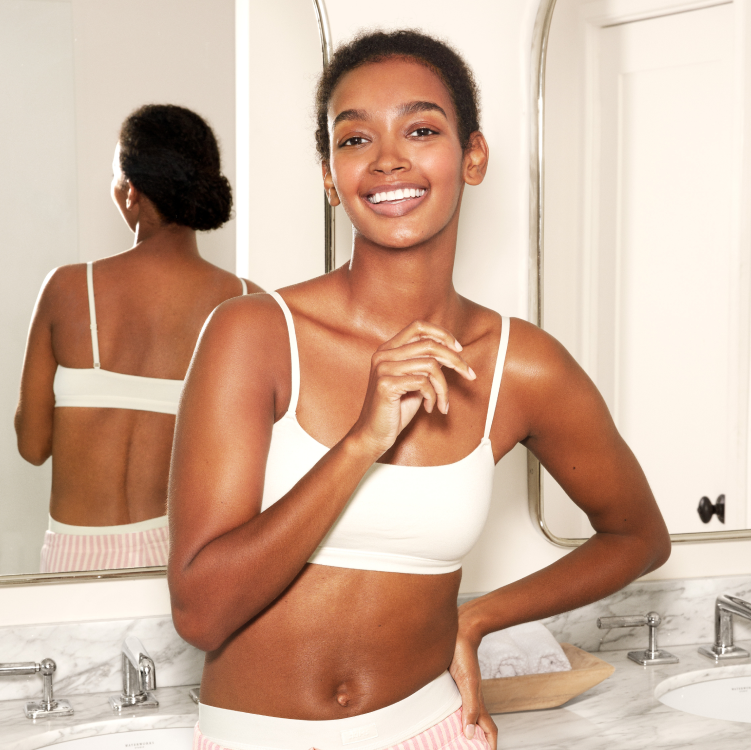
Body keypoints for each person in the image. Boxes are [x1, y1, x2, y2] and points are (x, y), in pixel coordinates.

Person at [167, 31, 670, 750]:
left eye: (421, 129)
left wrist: (478, 617)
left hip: (434, 731)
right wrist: (364, 438)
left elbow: (638, 537)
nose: (387, 160)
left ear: (473, 156)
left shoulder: (518, 366)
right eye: (354, 139)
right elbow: (200, 613)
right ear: (328, 173)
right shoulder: (252, 334)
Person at [15, 104, 263, 574]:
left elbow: (32, 446)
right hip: (183, 559)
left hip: (73, 557)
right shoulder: (247, 303)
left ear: (131, 191)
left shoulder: (68, 289)